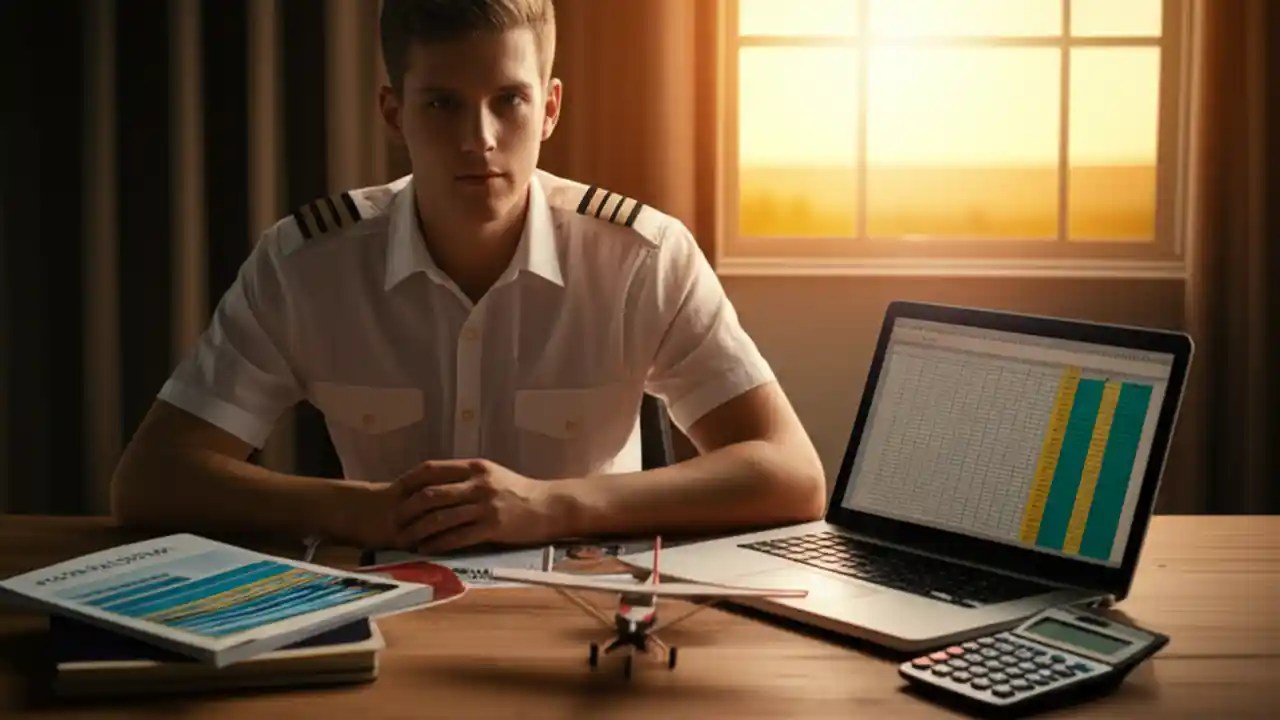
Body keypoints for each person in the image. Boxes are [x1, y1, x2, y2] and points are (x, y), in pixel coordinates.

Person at [110, 0, 825, 554]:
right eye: (442, 103)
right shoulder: (305, 267)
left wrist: (554, 505)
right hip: (387, 622)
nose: (477, 139)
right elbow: (151, 479)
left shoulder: (642, 258)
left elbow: (791, 474)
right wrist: (358, 509)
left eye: (508, 101)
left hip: (585, 622)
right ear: (394, 112)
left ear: (549, 109)